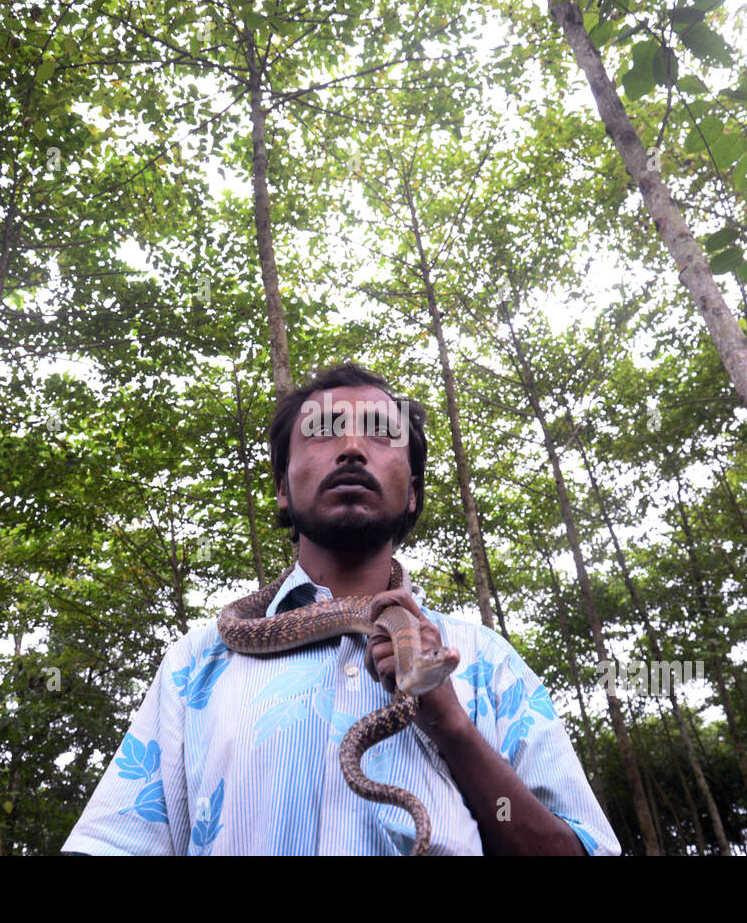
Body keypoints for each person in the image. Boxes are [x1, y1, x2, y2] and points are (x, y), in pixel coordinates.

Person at [61, 363, 619, 855]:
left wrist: (451, 725)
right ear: (282, 488)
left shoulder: (487, 662)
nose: (352, 448)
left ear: (414, 493)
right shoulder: (196, 665)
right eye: (322, 433)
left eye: (380, 435)